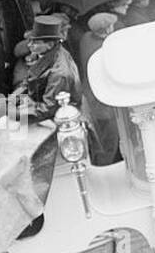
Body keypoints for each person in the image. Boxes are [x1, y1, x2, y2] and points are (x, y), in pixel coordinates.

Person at [9, 16, 81, 123]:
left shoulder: (59, 73)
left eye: (35, 42)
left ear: (49, 45)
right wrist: (13, 97)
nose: (29, 45)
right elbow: (29, 80)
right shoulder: (47, 52)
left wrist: (17, 114)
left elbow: (48, 108)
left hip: (62, 118)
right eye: (30, 40)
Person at [78, 12, 121, 164]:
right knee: (111, 138)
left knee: (100, 136)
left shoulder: (86, 39)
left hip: (90, 97)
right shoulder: (103, 48)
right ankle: (106, 165)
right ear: (107, 29)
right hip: (104, 102)